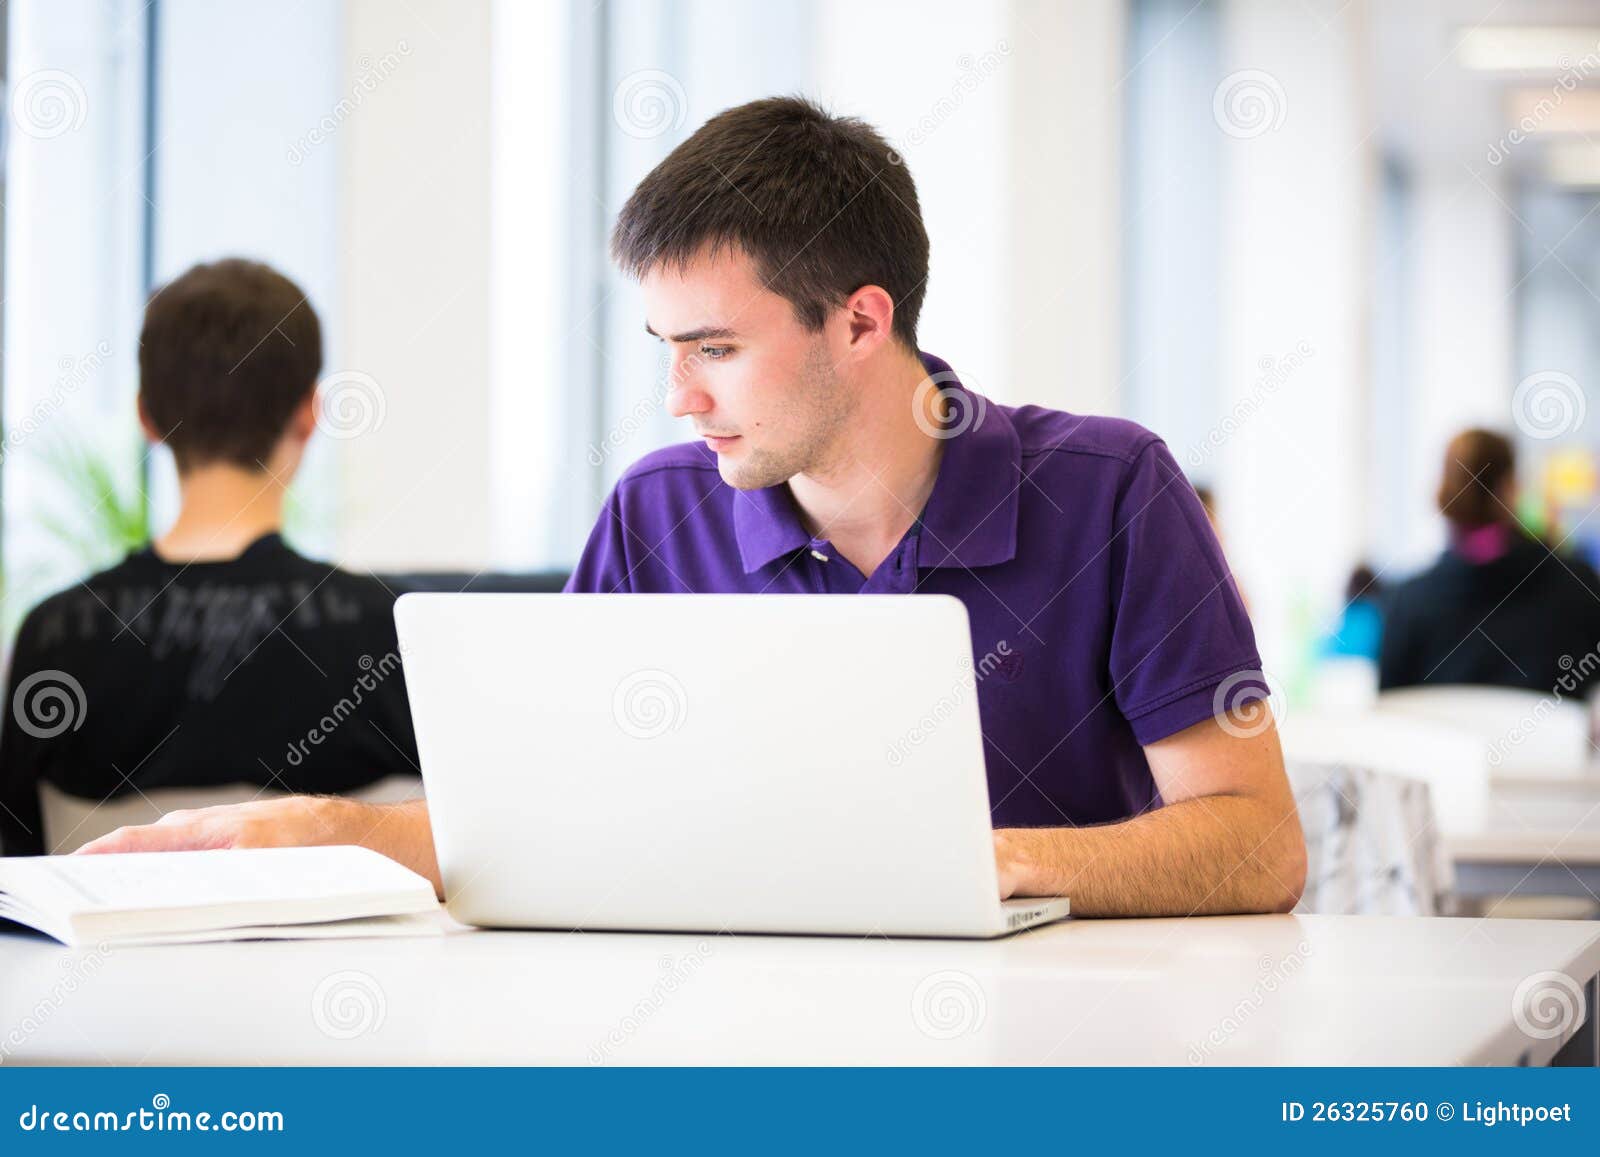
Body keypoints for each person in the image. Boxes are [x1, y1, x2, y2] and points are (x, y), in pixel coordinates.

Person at [78, 99, 1305, 917]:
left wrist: (974, 864)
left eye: (714, 347)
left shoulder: (1111, 490)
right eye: (666, 348)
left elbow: (1258, 844)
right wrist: (331, 829)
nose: (678, 397)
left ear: (860, 321)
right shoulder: (655, 516)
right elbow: (544, 823)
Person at [0, 259, 420, 856]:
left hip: (115, 923)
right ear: (310, 412)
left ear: (147, 417)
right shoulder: (392, 632)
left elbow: (16, 862)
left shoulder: (55, 636)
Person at [1379, 428, 1600, 694]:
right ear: (1512, 488)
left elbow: (1390, 708)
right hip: (1553, 722)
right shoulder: (1577, 586)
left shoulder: (1407, 604)